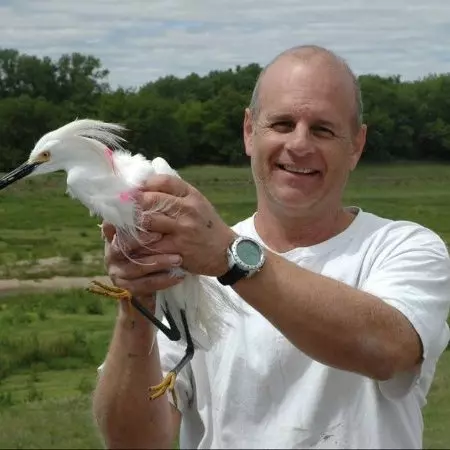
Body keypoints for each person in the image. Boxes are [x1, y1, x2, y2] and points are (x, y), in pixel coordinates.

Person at [92, 45, 450, 449]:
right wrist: (137, 300)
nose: (299, 144)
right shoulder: (193, 264)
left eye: (323, 129)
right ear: (249, 132)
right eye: (281, 123)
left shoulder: (403, 247)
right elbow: (134, 442)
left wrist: (228, 254)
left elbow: (389, 349)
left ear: (356, 145)